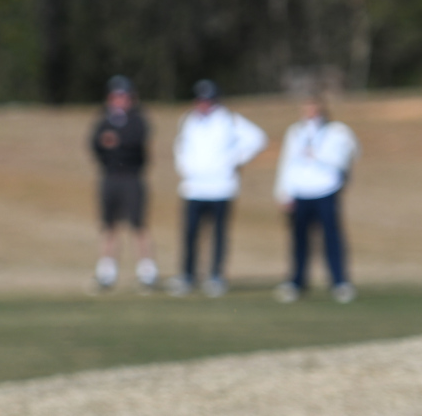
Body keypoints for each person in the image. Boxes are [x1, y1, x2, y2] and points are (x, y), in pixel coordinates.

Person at [170, 79, 266, 297]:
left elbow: (257, 139)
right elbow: (181, 147)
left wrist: (234, 159)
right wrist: (184, 166)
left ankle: (216, 276)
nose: (203, 104)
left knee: (219, 235)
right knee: (191, 234)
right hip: (193, 187)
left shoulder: (229, 120)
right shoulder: (189, 120)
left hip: (221, 187)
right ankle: (187, 275)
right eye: (201, 99)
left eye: (208, 100)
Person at [273, 97, 358, 303]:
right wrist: (283, 192)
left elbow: (349, 153)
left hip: (326, 190)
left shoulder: (337, 131)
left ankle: (339, 282)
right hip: (301, 192)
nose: (309, 111)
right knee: (299, 240)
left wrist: (323, 157)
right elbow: (287, 162)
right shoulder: (295, 131)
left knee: (332, 238)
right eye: (306, 106)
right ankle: (296, 281)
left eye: (313, 106)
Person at [88, 75, 157, 292]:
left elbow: (136, 140)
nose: (120, 100)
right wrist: (110, 143)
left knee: (138, 224)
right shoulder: (104, 119)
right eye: (116, 96)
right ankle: (106, 272)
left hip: (131, 177)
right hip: (110, 177)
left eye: (124, 96)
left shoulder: (137, 119)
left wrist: (117, 141)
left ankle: (147, 272)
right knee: (109, 226)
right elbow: (95, 143)